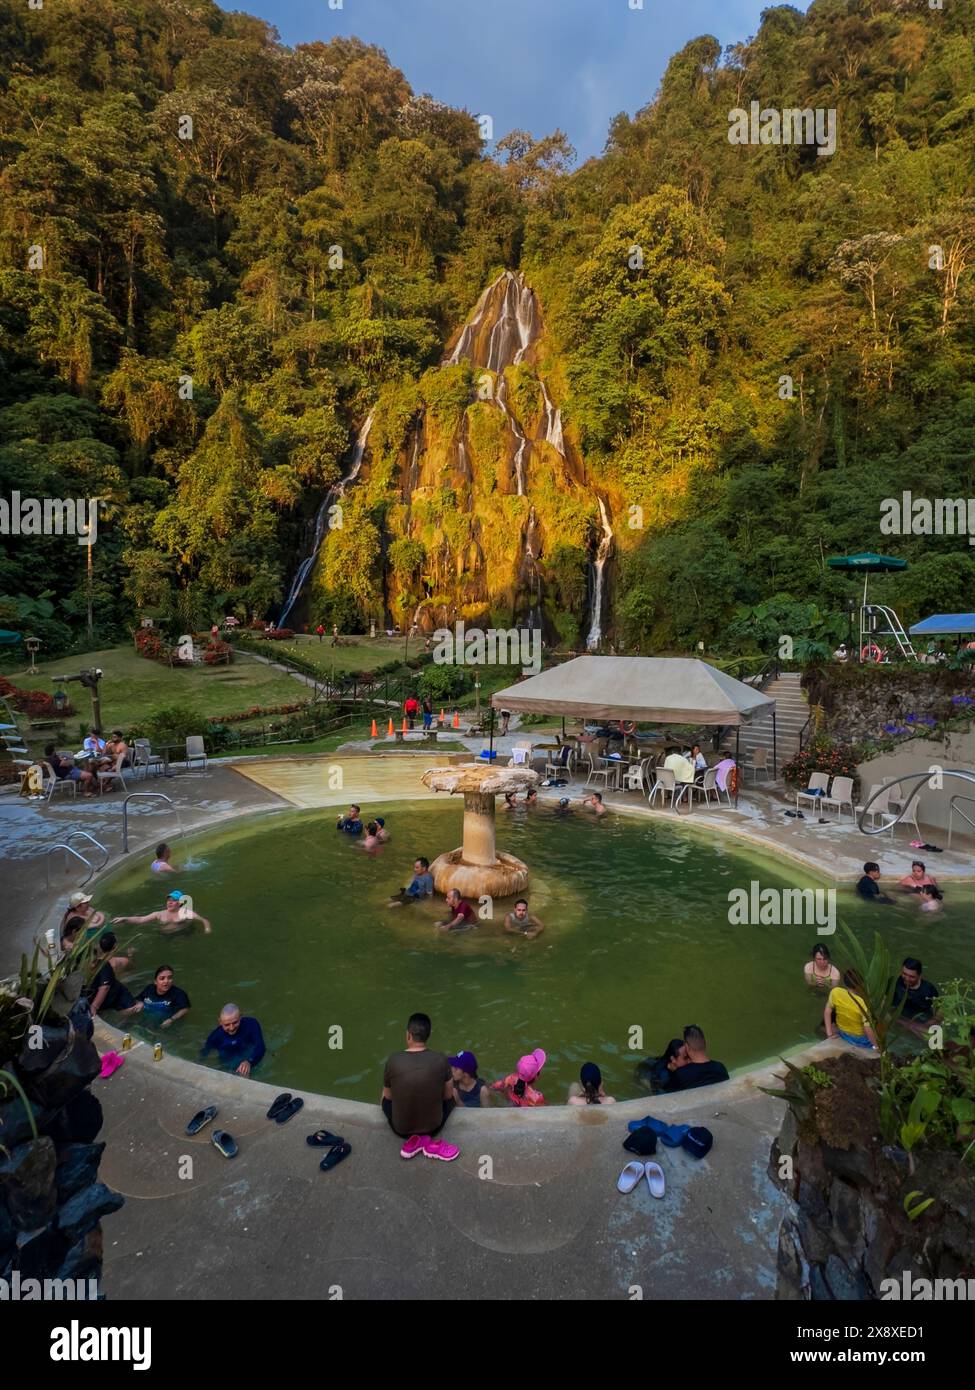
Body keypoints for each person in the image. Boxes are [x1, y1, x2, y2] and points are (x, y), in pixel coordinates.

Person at [381, 1012, 456, 1147]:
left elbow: (388, 1096)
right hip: (434, 1129)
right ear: (428, 1035)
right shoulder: (441, 1059)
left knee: (385, 1098)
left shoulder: (393, 1060)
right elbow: (447, 1096)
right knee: (451, 1099)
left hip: (400, 1130)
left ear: (408, 1035)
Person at [85, 933, 141, 1018]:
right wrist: (131, 955)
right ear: (115, 946)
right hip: (115, 989)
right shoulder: (121, 961)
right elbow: (132, 967)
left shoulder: (94, 963)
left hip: (102, 993)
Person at [202, 1004, 266, 1077]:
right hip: (227, 1063)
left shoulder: (251, 1024)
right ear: (220, 1022)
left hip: (248, 1057)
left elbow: (260, 1046)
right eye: (227, 1025)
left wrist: (249, 1062)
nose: (231, 1028)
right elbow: (204, 1053)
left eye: (235, 1022)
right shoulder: (215, 1036)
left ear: (240, 1017)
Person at [660, 1026, 730, 1092]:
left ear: (687, 1047)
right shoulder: (720, 1068)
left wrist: (673, 1072)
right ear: (706, 1042)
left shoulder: (681, 1074)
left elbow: (665, 1093)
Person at [112, 890, 212, 934]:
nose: (170, 902)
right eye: (168, 900)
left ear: (180, 903)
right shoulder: (159, 914)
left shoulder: (186, 912)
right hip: (166, 936)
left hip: (185, 933)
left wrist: (207, 928)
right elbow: (141, 919)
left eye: (173, 900)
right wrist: (125, 919)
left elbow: (203, 920)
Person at [825, 969, 877, 1051]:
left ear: (844, 981)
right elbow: (867, 1028)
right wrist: (876, 1046)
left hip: (842, 1034)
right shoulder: (861, 1003)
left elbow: (827, 1012)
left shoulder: (835, 992)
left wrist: (829, 1033)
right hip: (860, 1040)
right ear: (860, 984)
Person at [892, 958, 939, 1032]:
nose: (907, 979)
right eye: (904, 974)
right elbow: (883, 1002)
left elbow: (940, 1012)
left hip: (920, 1023)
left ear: (919, 976)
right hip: (898, 1019)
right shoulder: (894, 982)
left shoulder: (929, 990)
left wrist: (927, 1024)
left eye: (912, 977)